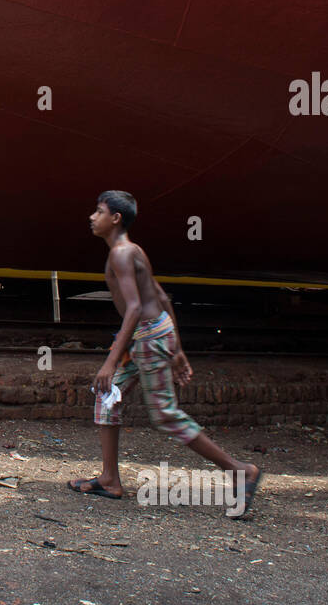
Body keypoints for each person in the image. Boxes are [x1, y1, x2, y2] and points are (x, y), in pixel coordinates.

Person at [67, 190, 262, 515]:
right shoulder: (132, 250)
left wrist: (111, 359)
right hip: (152, 334)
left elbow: (133, 308)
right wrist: (178, 350)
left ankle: (241, 471)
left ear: (115, 218)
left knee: (165, 415)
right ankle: (110, 480)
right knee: (106, 395)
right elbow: (160, 296)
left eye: (98, 211)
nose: (91, 216)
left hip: (147, 337)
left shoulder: (121, 253)